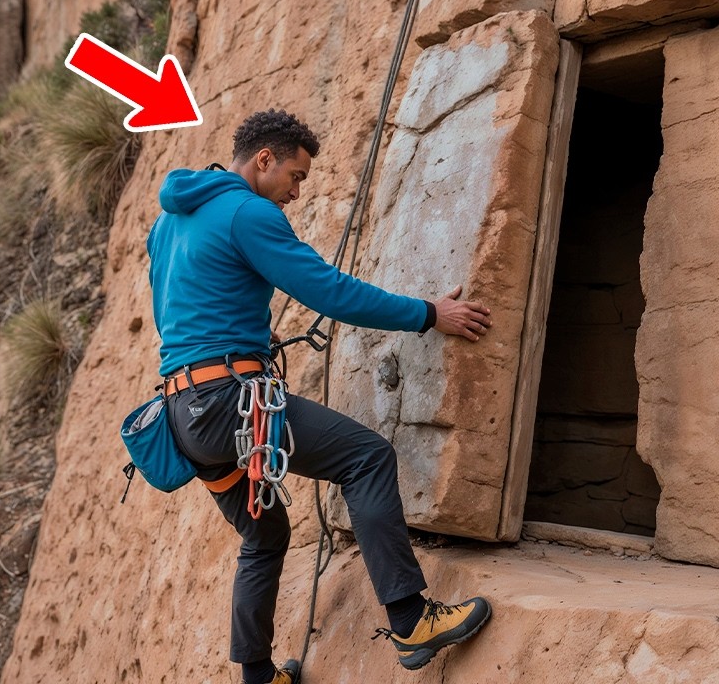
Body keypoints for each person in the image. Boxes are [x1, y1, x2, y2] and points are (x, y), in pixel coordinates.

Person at [147, 109, 494, 684]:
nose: (297, 192)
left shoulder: (168, 223)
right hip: (232, 404)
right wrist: (430, 313)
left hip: (184, 416)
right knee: (366, 457)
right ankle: (411, 620)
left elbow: (176, 308)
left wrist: (246, 335)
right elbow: (330, 293)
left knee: (265, 534)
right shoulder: (249, 212)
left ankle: (258, 678)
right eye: (296, 176)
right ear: (264, 160)